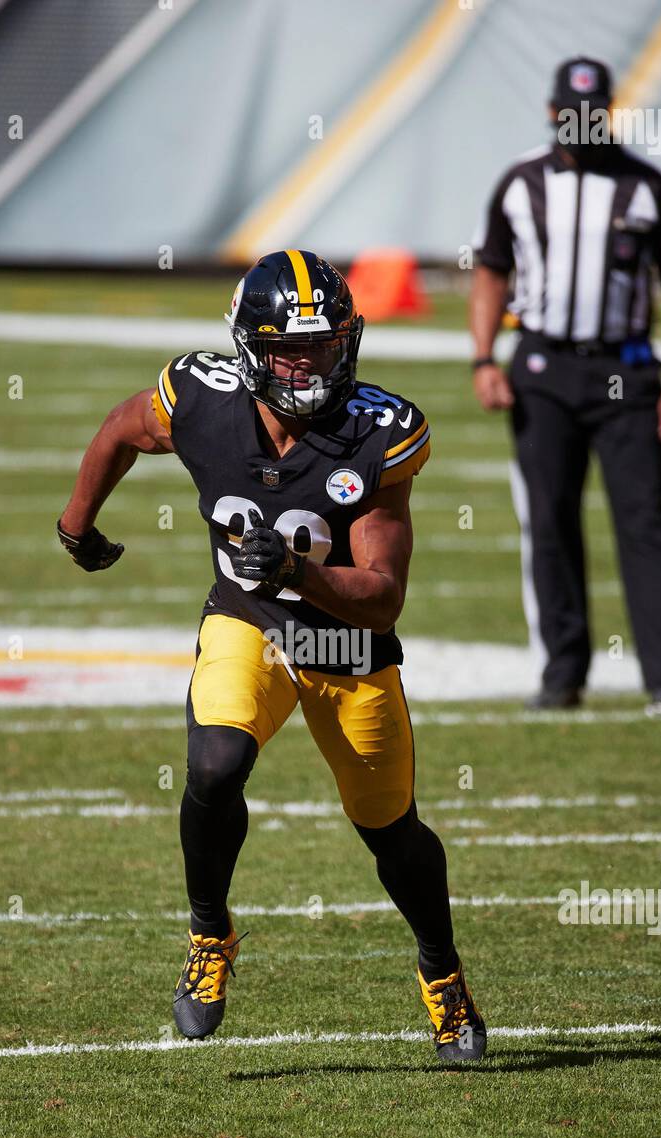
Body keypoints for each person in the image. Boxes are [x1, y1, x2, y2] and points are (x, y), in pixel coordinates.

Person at [57, 249, 486, 1063]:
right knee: (215, 767)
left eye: (323, 347)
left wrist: (297, 569)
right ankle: (210, 936)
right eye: (290, 349)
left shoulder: (376, 435)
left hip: (343, 647)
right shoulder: (203, 399)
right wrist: (77, 525)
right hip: (248, 624)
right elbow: (123, 425)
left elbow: (383, 593)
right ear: (250, 347)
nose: (308, 364)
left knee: (389, 830)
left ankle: (443, 974)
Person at [469, 57, 661, 715]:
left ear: (607, 112)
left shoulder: (646, 186)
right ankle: (562, 674)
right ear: (552, 111)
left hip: (626, 372)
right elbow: (491, 271)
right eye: (569, 109)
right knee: (548, 520)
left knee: (645, 523)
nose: (579, 121)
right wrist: (484, 358)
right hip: (542, 370)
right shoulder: (520, 184)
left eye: (593, 109)